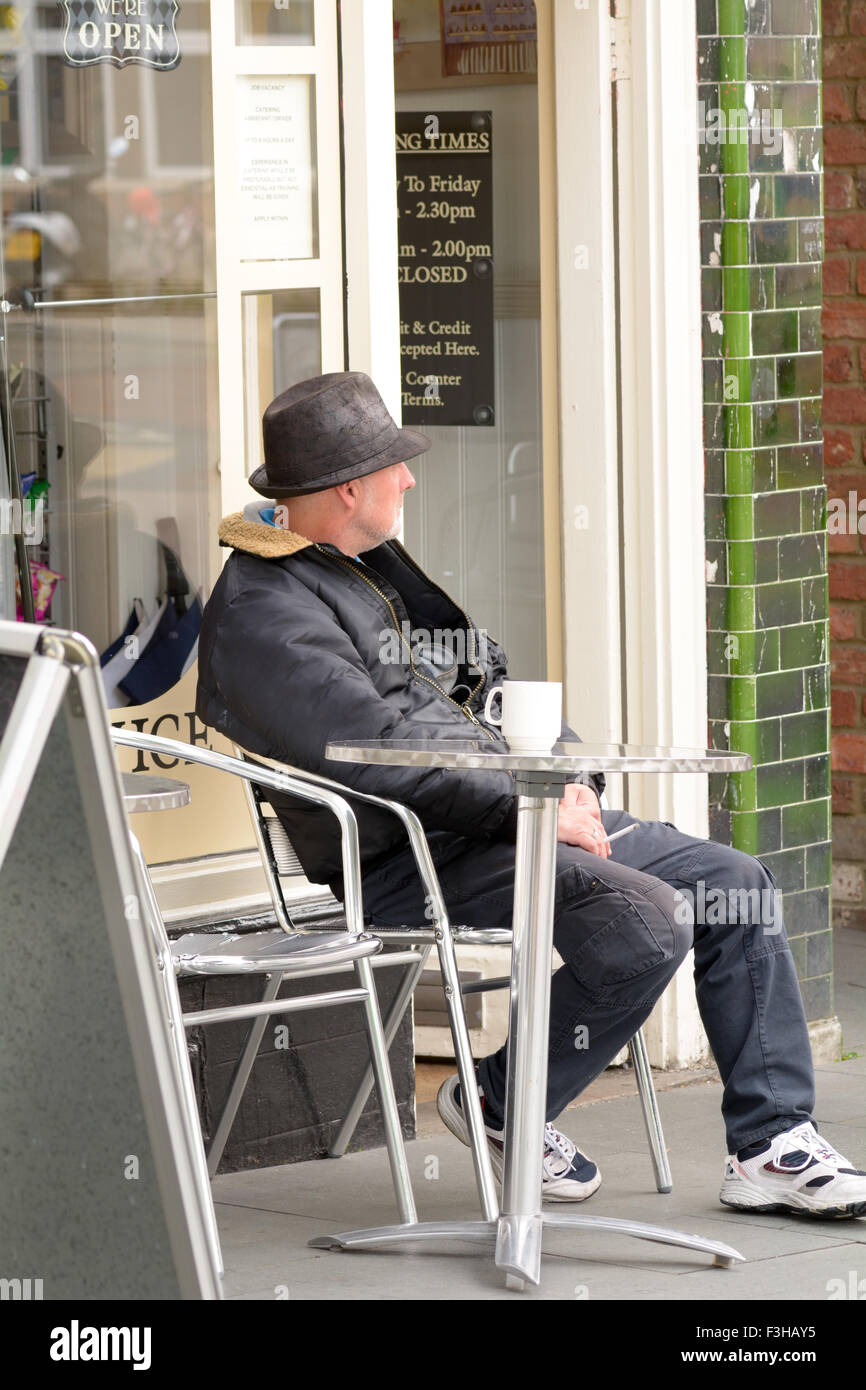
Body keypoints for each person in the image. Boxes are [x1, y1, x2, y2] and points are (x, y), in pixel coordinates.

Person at [197, 371, 866, 1218]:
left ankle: (771, 1145)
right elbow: (381, 757)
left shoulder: (360, 563)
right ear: (347, 489)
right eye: (394, 467)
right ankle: (499, 1102)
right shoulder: (266, 612)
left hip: (502, 818)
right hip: (413, 857)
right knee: (648, 919)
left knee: (735, 885)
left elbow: (484, 681)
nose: (409, 479)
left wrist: (571, 781)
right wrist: (531, 801)